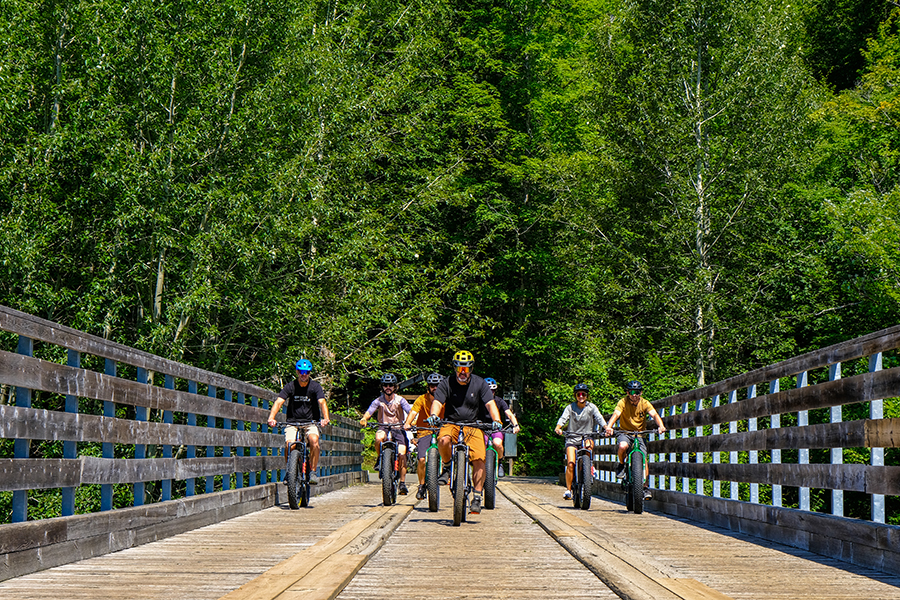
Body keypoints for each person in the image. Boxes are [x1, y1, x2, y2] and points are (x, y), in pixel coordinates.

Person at [427, 350, 502, 515]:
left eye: (466, 369)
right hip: (451, 423)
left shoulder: (480, 383)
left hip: (472, 425)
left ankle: (476, 496)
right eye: (459, 368)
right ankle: (447, 467)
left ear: (471, 369)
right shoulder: (446, 383)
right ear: (455, 368)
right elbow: (438, 402)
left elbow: (490, 404)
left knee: (480, 458)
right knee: (443, 441)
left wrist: (497, 420)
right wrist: (433, 415)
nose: (462, 372)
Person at [267, 359, 330, 485]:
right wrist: (271, 417)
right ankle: (290, 471)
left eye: (306, 372)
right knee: (290, 444)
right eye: (301, 372)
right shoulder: (291, 386)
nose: (303, 374)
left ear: (309, 373)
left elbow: (322, 402)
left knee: (314, 440)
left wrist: (325, 418)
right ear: (297, 372)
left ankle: (312, 471)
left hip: (311, 422)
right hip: (293, 422)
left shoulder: (315, 387)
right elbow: (279, 401)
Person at [604, 380, 666, 500]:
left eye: (637, 392)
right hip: (625, 433)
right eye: (631, 392)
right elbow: (616, 415)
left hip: (640, 434)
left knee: (644, 458)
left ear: (641, 393)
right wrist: (609, 427)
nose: (634, 395)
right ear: (627, 392)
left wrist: (661, 426)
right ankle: (621, 465)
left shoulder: (645, 403)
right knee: (622, 446)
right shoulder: (622, 402)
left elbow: (654, 415)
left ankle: (645, 487)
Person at [359, 373, 413, 495]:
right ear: (382, 387)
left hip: (398, 428)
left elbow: (410, 411)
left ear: (394, 387)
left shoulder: (400, 400)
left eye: (390, 385)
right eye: (385, 385)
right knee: (378, 438)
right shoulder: (378, 401)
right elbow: (369, 411)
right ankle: (380, 459)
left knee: (402, 453)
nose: (388, 388)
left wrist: (410, 422)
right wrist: (364, 419)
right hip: (383, 427)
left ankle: (403, 483)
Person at [554, 383, 607, 500]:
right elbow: (563, 418)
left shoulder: (592, 407)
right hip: (572, 438)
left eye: (583, 394)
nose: (581, 396)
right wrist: (558, 427)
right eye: (579, 394)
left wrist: (606, 427)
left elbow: (599, 418)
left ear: (587, 396)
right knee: (571, 463)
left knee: (589, 446)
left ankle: (590, 465)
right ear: (576, 396)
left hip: (587, 436)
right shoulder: (570, 407)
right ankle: (568, 490)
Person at [403, 373, 445, 500]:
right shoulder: (422, 399)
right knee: (421, 459)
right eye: (432, 385)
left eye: (438, 385)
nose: (435, 388)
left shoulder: (446, 399)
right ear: (428, 386)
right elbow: (413, 412)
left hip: (442, 430)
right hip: (425, 431)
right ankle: (421, 485)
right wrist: (407, 423)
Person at [482, 378, 520, 477]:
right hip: (481, 428)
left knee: (497, 444)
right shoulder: (478, 401)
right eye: (489, 391)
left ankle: (499, 462)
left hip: (496, 428)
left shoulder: (499, 401)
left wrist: (515, 425)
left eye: (493, 390)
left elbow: (510, 415)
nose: (491, 393)